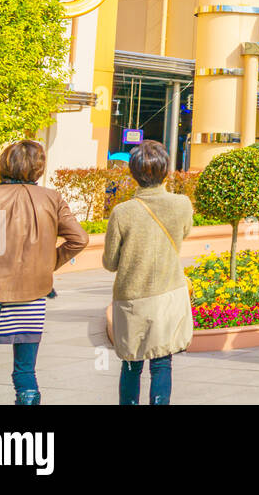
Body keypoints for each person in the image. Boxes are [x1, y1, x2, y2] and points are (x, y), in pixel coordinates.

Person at [0, 140, 88, 405]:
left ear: (5, 164)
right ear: (38, 168)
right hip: (33, 297)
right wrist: (48, 265)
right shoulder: (53, 199)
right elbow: (78, 239)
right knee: (26, 372)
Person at [102, 139, 194, 404]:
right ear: (165, 170)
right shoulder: (182, 204)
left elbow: (110, 262)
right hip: (168, 292)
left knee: (131, 364)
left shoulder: (122, 212)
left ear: (134, 172)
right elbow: (184, 233)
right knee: (162, 362)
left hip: (132, 298)